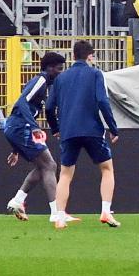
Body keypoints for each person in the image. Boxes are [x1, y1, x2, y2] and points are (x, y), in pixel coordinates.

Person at [47, 38, 120, 229]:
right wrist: (112, 128)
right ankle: (105, 211)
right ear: (90, 56)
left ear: (73, 56)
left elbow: (48, 107)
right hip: (92, 129)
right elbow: (103, 102)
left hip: (68, 131)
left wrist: (55, 128)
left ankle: (60, 216)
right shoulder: (95, 74)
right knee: (106, 168)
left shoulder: (61, 78)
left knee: (65, 174)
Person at [2, 49, 65, 221]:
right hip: (21, 127)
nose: (60, 73)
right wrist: (34, 126)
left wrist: (15, 150)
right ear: (50, 68)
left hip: (16, 128)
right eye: (59, 69)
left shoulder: (46, 85)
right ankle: (56, 213)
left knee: (43, 167)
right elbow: (22, 101)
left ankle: (17, 201)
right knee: (50, 165)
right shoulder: (41, 79)